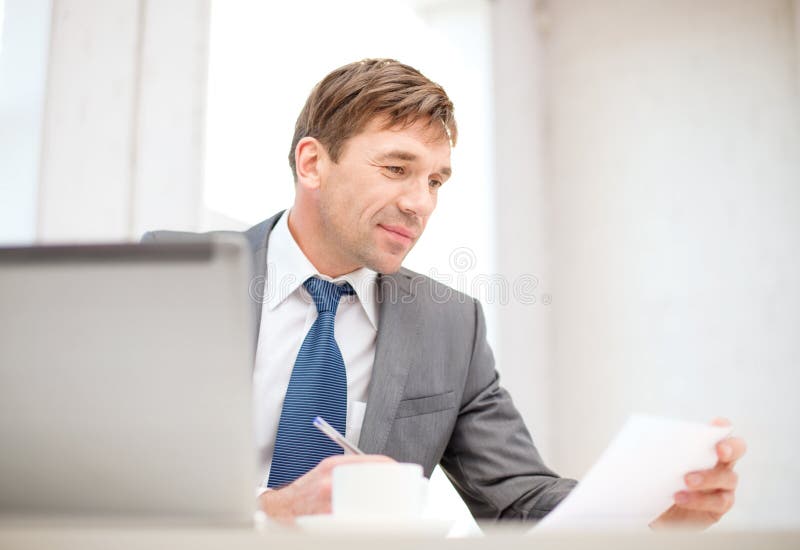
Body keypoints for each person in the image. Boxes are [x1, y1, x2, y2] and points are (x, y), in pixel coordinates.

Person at [144, 58, 745, 527]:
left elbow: (517, 498)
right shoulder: (168, 275)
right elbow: (94, 471)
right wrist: (267, 512)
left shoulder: (450, 326)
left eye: (436, 180)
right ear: (311, 164)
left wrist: (646, 513)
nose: (421, 202)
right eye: (396, 168)